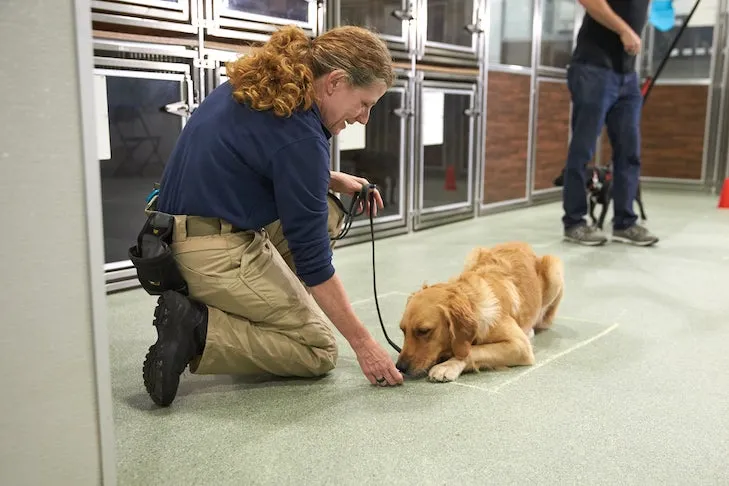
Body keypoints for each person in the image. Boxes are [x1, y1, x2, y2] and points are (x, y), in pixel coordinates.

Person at [142, 24, 404, 407]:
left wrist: (328, 178)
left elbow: (253, 157)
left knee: (326, 210)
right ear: (335, 82)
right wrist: (364, 344)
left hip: (172, 232)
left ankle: (257, 305)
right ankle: (199, 328)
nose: (364, 118)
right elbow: (315, 264)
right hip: (209, 250)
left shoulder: (264, 84)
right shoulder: (302, 137)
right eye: (364, 104)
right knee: (319, 349)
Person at [561, 0, 659, 246]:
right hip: (593, 68)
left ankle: (624, 223)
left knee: (629, 152)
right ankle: (574, 222)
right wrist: (623, 29)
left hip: (627, 74)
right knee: (583, 150)